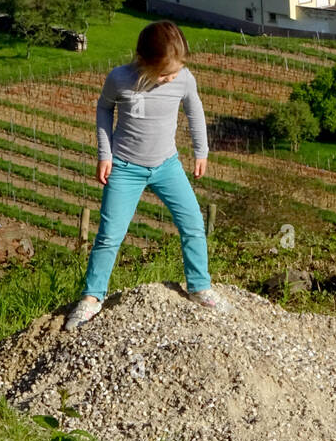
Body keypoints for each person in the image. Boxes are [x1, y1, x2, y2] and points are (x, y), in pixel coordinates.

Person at [65, 21, 227, 330]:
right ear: (142, 61)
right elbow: (103, 110)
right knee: (110, 236)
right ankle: (91, 298)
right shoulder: (119, 79)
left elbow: (195, 112)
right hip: (125, 168)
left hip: (167, 165)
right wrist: (105, 153)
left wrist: (201, 151)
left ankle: (199, 287)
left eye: (175, 72)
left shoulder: (184, 80)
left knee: (193, 223)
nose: (170, 78)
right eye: (164, 74)